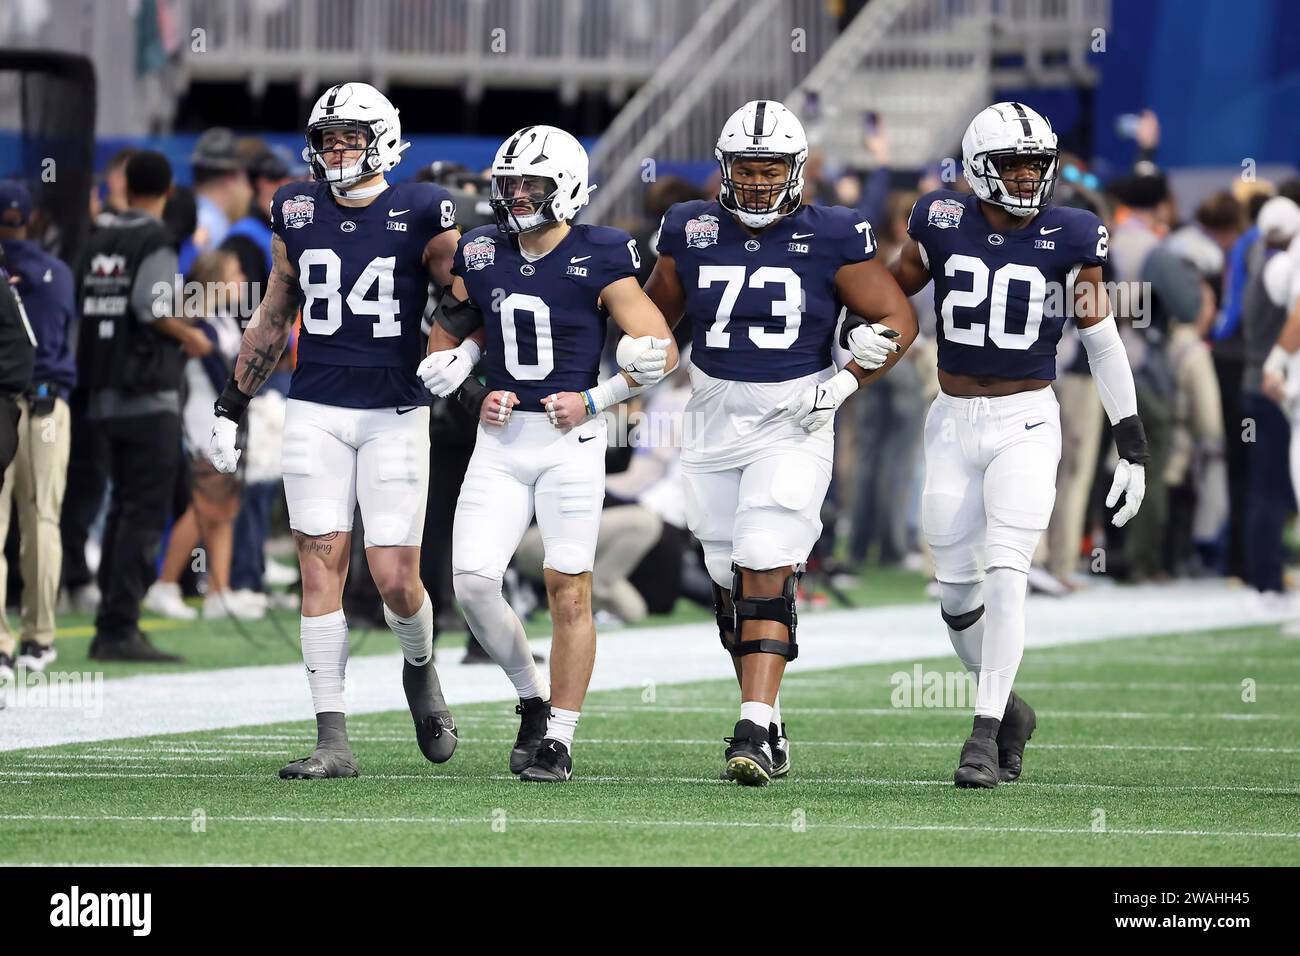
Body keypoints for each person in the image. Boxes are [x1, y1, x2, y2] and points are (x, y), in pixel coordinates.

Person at [643, 100, 916, 785]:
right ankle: (765, 716)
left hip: (795, 413)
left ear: (795, 172)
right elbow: (655, 315)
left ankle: (754, 725)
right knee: (724, 575)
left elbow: (895, 315)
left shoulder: (834, 232)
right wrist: (631, 354)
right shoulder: (690, 227)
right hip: (710, 412)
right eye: (746, 169)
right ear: (724, 169)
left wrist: (848, 381)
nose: (759, 183)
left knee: (766, 558)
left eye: (771, 170)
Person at [887, 102, 1147, 787]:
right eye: (1013, 165)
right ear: (978, 168)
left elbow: (1101, 337)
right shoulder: (938, 220)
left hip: (1027, 419)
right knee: (954, 591)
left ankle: (981, 732)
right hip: (951, 417)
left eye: (1036, 164)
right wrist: (844, 338)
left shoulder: (1072, 233)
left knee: (1008, 571)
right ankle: (1011, 712)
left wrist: (1133, 442)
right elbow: (886, 290)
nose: (1028, 178)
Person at [208, 82, 461, 780]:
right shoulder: (294, 206)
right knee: (320, 565)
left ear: (383, 139)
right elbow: (273, 313)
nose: (336, 149)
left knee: (395, 578)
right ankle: (332, 738)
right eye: (328, 138)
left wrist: (454, 352)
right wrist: (232, 402)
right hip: (315, 406)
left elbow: (469, 293)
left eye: (350, 137)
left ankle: (420, 665)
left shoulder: (421, 210)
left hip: (395, 409)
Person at [419, 125, 678, 782]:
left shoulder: (602, 253)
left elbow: (660, 350)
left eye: (531, 183)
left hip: (572, 441)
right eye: (510, 183)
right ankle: (533, 700)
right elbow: (450, 337)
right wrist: (477, 387)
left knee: (568, 589)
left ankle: (560, 736)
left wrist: (597, 398)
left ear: (566, 187)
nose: (518, 195)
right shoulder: (481, 250)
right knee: (474, 583)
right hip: (501, 439)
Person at [80, 151, 213, 662]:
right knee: (143, 511)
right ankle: (120, 627)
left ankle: (109, 624)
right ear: (167, 190)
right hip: (146, 395)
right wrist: (191, 337)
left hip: (102, 391)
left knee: (121, 510)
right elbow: (152, 305)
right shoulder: (155, 239)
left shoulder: (100, 238)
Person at [144, 251, 261, 621]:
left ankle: (219, 592)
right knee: (205, 505)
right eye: (234, 271)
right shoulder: (192, 318)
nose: (242, 278)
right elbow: (214, 369)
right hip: (202, 416)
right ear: (215, 278)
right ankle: (163, 585)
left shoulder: (223, 317)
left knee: (224, 507)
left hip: (224, 417)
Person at [0, 181, 78, 675]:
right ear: (29, 218)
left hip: (2, 406)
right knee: (42, 523)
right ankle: (38, 639)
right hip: (48, 407)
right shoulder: (59, 272)